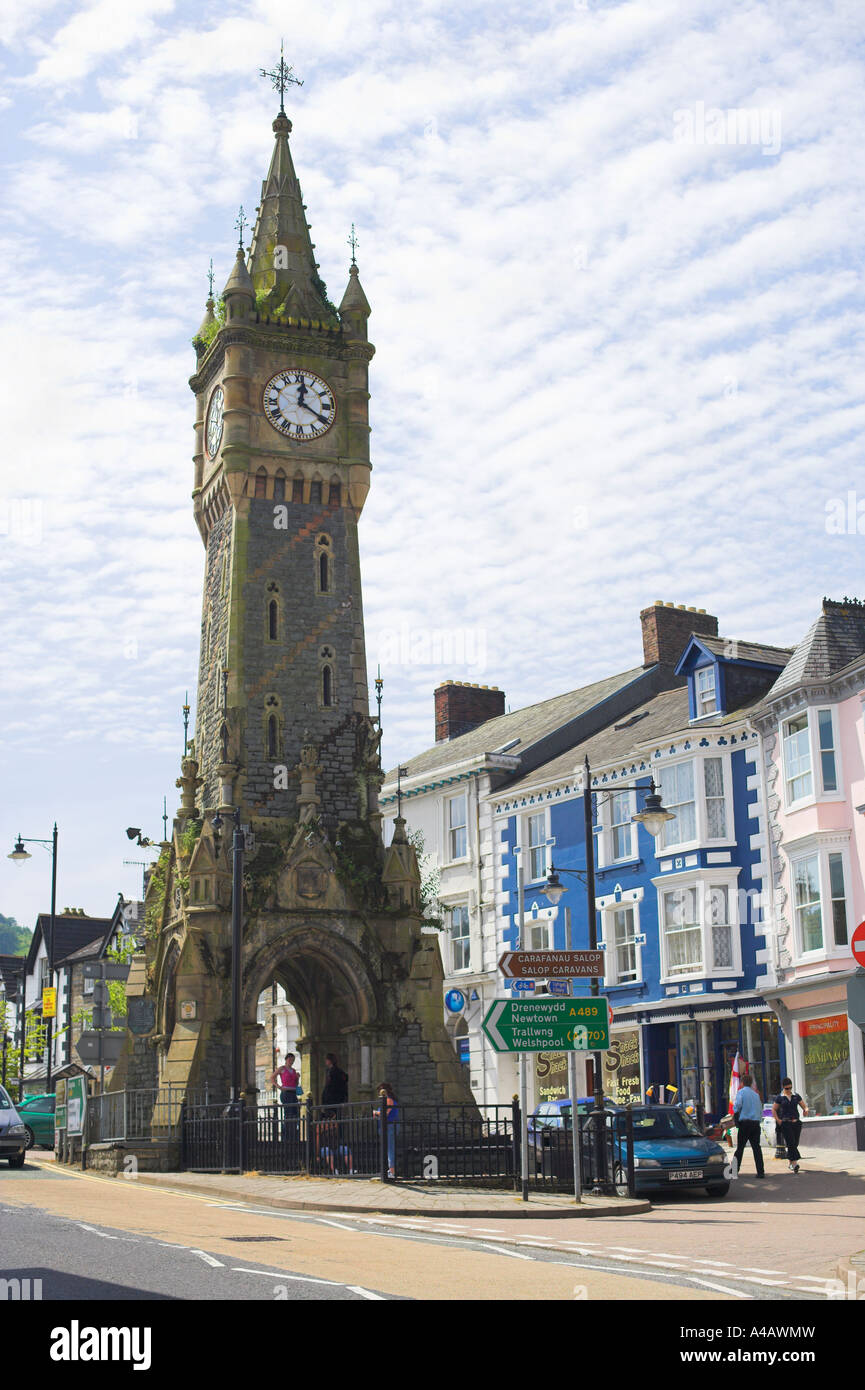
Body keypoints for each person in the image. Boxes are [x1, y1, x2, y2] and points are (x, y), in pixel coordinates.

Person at [732, 1073, 765, 1178]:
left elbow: (737, 1106)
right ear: (751, 1083)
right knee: (756, 1148)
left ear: (742, 1083)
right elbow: (760, 1110)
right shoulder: (756, 1095)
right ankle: (760, 1172)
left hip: (745, 1123)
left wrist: (735, 1113)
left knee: (740, 1148)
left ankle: (734, 1171)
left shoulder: (741, 1093)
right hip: (755, 1123)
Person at [773, 1077, 809, 1173]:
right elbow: (774, 1109)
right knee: (791, 1143)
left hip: (796, 1123)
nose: (789, 1090)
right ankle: (795, 1163)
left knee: (795, 1143)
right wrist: (778, 1120)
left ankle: (790, 1163)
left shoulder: (796, 1096)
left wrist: (806, 1110)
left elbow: (804, 1106)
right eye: (787, 1088)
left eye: (790, 1088)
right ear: (783, 1087)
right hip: (785, 1123)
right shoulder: (779, 1097)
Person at [269, 1052, 300, 1135]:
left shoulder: (294, 1070)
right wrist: (279, 1087)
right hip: (286, 1092)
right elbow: (272, 1078)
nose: (291, 1061)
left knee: (295, 1112)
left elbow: (296, 1084)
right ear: (286, 1059)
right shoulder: (282, 1068)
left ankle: (293, 1131)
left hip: (293, 1092)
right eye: (290, 1059)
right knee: (288, 1112)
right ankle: (287, 1132)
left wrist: (297, 1078)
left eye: (293, 1060)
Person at [375, 1083, 399, 1178]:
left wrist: (375, 1112)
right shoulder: (391, 1099)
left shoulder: (388, 1100)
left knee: (390, 1149)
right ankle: (390, 1170)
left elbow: (385, 1114)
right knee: (389, 1148)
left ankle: (392, 1172)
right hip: (389, 1126)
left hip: (389, 1126)